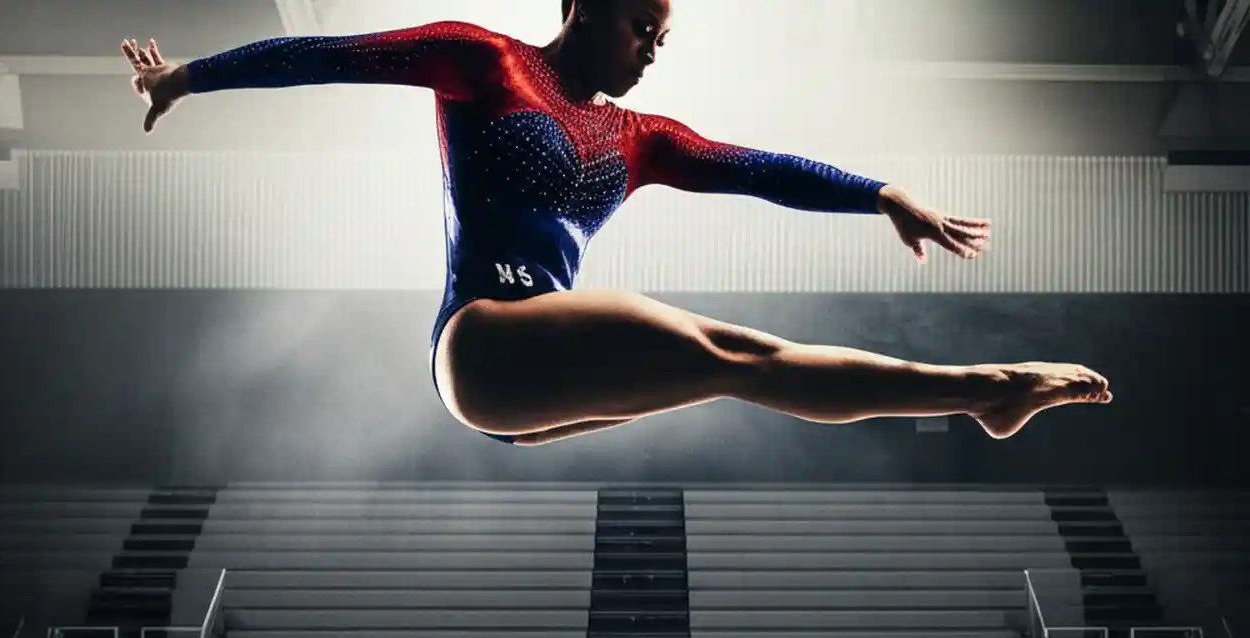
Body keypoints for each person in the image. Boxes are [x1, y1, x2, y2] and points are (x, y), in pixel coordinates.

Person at [120, 0, 1112, 447]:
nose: (652, 49)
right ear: (583, 6)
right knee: (735, 354)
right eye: (642, 26)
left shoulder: (640, 137)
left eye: (664, 37)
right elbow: (329, 53)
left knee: (738, 372)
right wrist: (188, 77)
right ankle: (982, 389)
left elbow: (760, 169)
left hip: (535, 392)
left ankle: (980, 395)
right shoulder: (483, 61)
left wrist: (876, 193)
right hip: (483, 340)